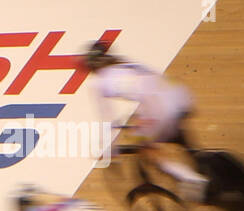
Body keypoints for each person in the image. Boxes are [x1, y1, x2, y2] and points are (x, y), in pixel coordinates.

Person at [82, 39, 208, 202]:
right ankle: (199, 157)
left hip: (158, 107)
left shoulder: (99, 83)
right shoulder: (126, 63)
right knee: (170, 129)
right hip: (179, 95)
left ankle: (190, 179)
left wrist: (109, 150)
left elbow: (108, 120)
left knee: (146, 148)